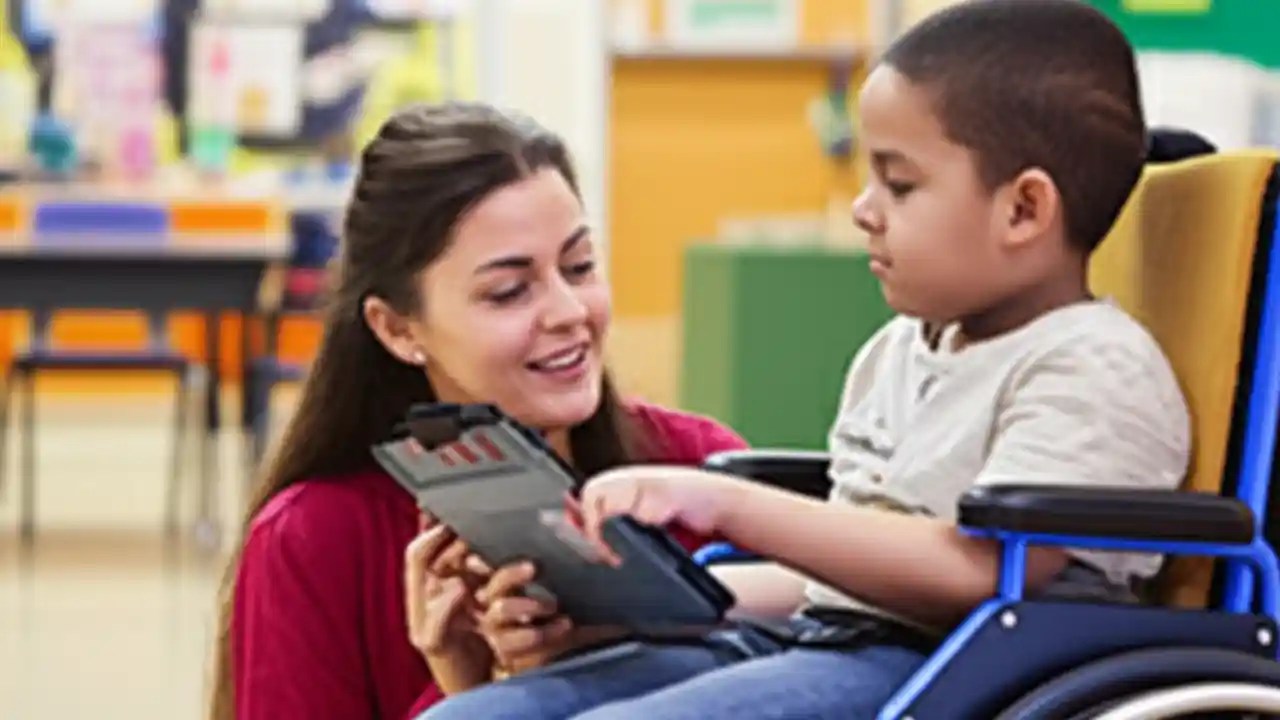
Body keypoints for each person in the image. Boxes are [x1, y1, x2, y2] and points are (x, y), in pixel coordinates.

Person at [417, 2, 1193, 719]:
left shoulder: (1093, 366)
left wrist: (726, 506)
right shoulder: (899, 350)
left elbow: (981, 580)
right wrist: (632, 606)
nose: (864, 208)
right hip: (830, 641)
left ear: (1023, 208)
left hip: (958, 668)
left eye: (899, 184)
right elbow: (835, 587)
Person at [206, 102, 753, 720]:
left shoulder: (701, 476)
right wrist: (467, 690)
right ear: (397, 328)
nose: (569, 310)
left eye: (579, 266)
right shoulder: (312, 540)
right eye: (509, 292)